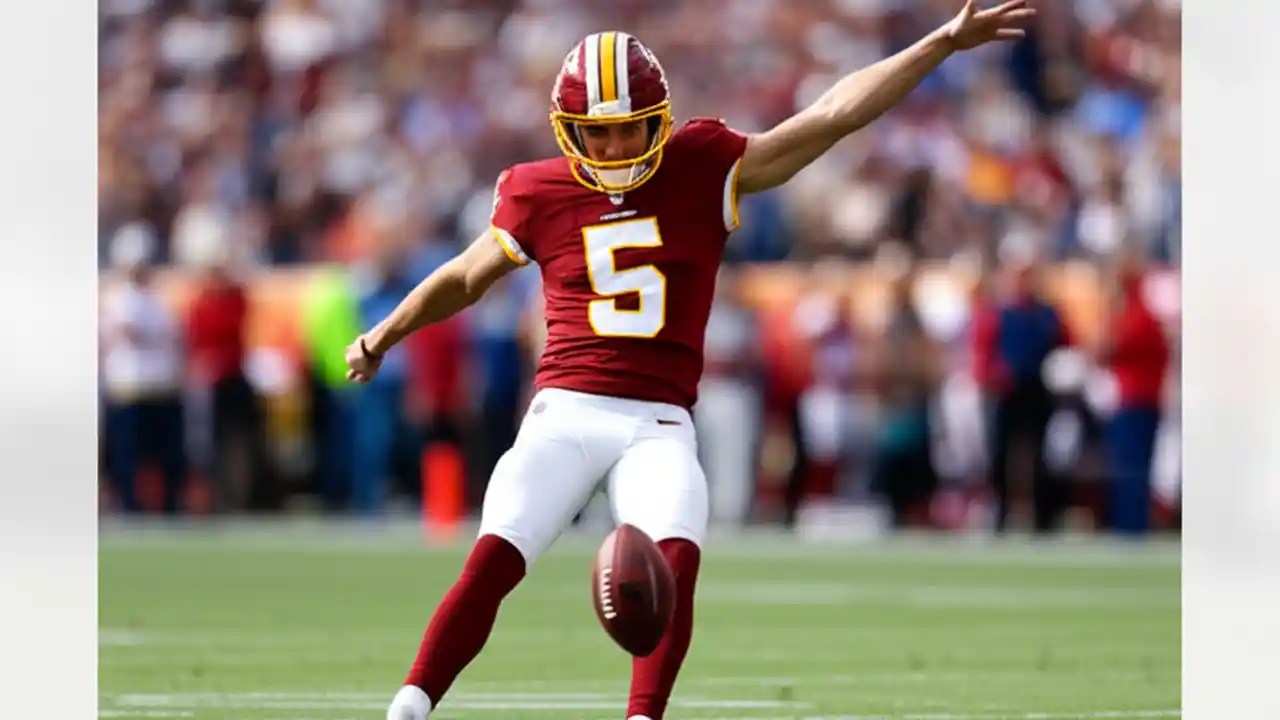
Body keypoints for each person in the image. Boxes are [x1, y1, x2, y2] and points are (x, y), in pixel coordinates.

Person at [344, 4, 1036, 718]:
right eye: (597, 132)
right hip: (565, 413)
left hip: (658, 421)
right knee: (493, 560)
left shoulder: (704, 164)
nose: (613, 146)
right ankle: (409, 708)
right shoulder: (536, 189)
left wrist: (941, 42)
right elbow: (463, 277)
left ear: (660, 119)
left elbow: (830, 116)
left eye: (628, 127)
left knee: (674, 562)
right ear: (569, 131)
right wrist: (382, 337)